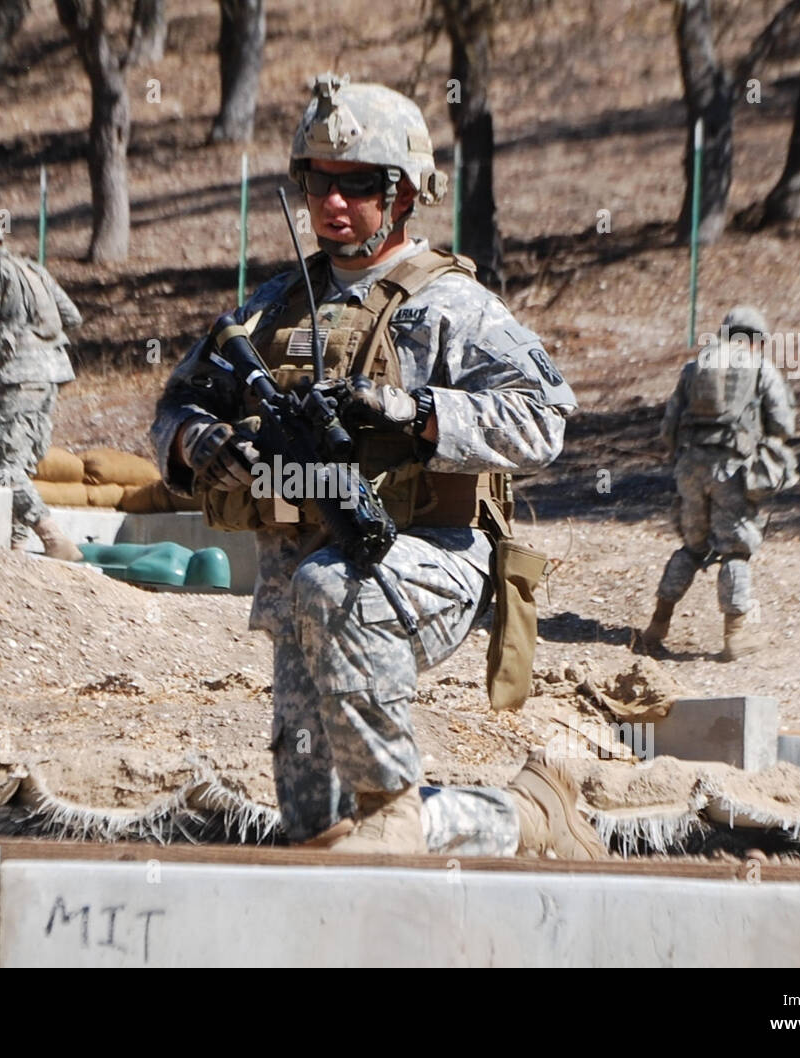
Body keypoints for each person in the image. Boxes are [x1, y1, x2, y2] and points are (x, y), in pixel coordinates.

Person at [150, 74, 604, 858]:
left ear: (403, 195)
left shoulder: (452, 305)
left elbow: (544, 419)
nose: (332, 204)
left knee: (338, 606)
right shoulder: (274, 306)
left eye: (357, 185)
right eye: (319, 183)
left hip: (424, 556)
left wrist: (418, 412)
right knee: (313, 824)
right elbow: (175, 407)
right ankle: (523, 817)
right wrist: (201, 445)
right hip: (300, 579)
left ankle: (399, 805)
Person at [642, 305, 798, 660]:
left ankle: (656, 626)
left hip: (690, 470)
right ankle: (735, 635)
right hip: (733, 471)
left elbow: (668, 428)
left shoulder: (695, 367)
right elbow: (783, 424)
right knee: (735, 549)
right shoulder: (760, 368)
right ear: (757, 338)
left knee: (692, 547)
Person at [0, 208, 83, 560]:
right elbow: (72, 317)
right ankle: (17, 548)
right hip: (51, 376)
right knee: (21, 465)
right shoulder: (34, 269)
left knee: (2, 469)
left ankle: (54, 536)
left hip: (17, 378)